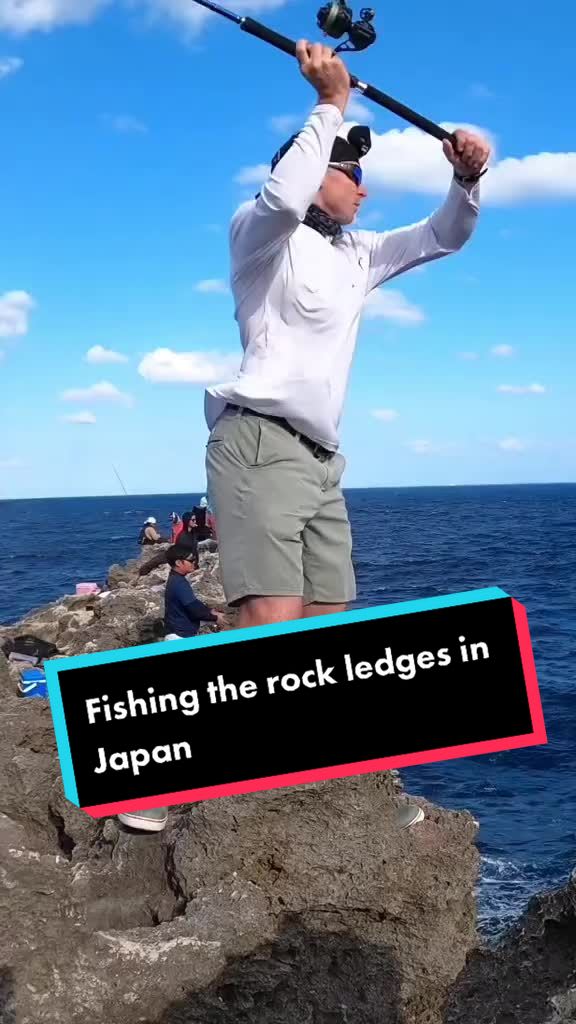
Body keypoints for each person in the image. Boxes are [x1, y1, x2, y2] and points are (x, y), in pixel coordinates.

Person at [204, 39, 491, 634]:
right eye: (352, 174)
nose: (364, 189)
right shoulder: (259, 234)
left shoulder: (358, 252)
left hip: (324, 460)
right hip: (261, 444)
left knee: (329, 625)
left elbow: (445, 235)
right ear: (315, 172)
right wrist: (330, 102)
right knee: (272, 627)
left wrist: (467, 176)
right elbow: (284, 198)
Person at [119, 543, 225, 833]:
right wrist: (215, 616)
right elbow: (192, 608)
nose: (196, 563)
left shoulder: (178, 582)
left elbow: (192, 608)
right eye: (192, 560)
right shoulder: (179, 586)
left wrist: (207, 612)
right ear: (179, 563)